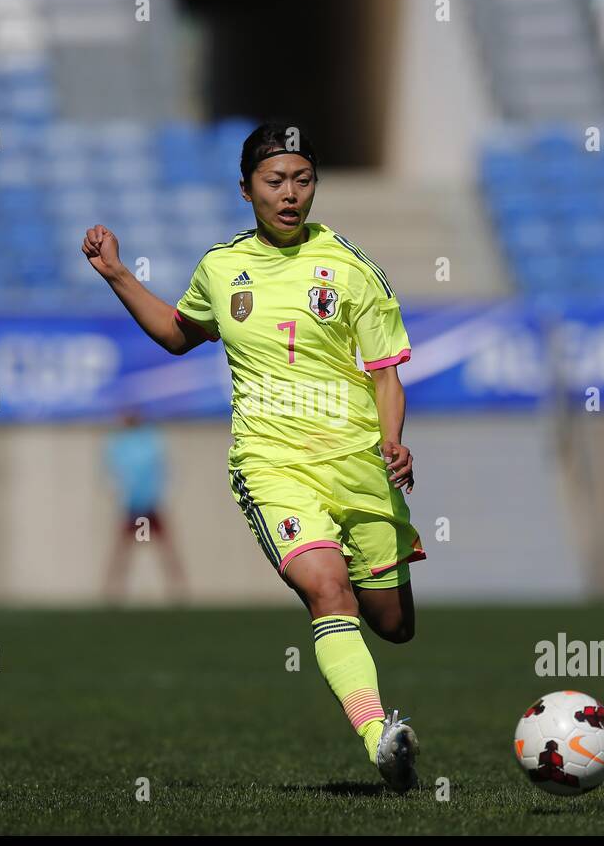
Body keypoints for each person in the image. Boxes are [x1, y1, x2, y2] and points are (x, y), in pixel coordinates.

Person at [83, 123, 426, 792]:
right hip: (272, 465)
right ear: (246, 190)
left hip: (359, 464)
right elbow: (180, 335)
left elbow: (386, 373)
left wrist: (393, 440)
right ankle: (377, 737)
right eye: (276, 181)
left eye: (303, 179)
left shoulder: (353, 269)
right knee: (326, 591)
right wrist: (119, 276)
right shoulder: (221, 269)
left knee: (393, 624)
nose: (291, 193)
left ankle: (350, 607)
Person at [102, 410, 188, 602]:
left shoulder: (150, 439)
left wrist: (161, 494)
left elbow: (164, 468)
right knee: (122, 551)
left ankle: (178, 592)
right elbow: (113, 474)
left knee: (166, 550)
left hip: (151, 504)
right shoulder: (120, 442)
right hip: (132, 505)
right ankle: (112, 593)